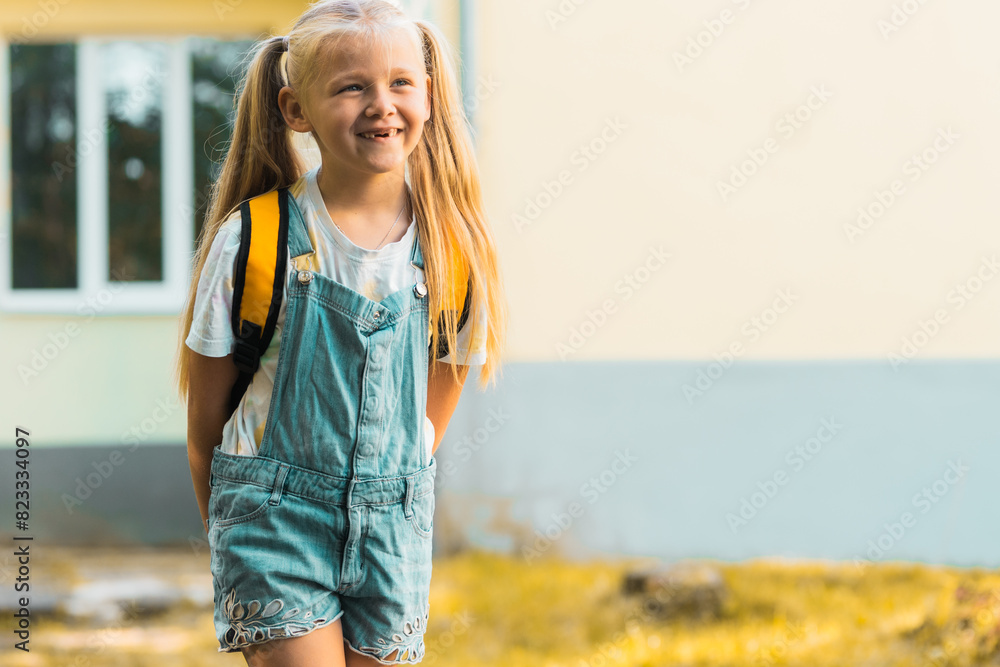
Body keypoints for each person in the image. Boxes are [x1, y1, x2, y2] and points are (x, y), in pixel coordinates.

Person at [172, 1, 507, 664]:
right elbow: (204, 428)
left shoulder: (453, 247)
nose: (381, 104)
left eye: (400, 83)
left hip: (393, 530)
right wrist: (235, 531)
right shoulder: (255, 240)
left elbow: (442, 385)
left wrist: (394, 473)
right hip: (276, 521)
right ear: (295, 110)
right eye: (353, 86)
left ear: (429, 96)